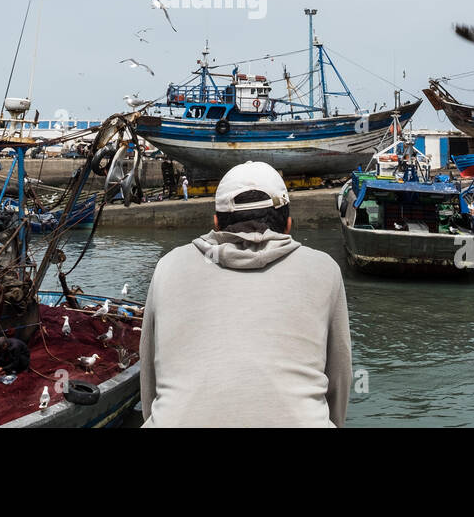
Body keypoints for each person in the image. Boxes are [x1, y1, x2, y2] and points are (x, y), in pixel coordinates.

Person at [139, 160, 351, 427]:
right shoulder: (324, 269)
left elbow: (149, 383)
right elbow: (340, 379)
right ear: (288, 224)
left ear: (216, 223)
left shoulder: (168, 266)